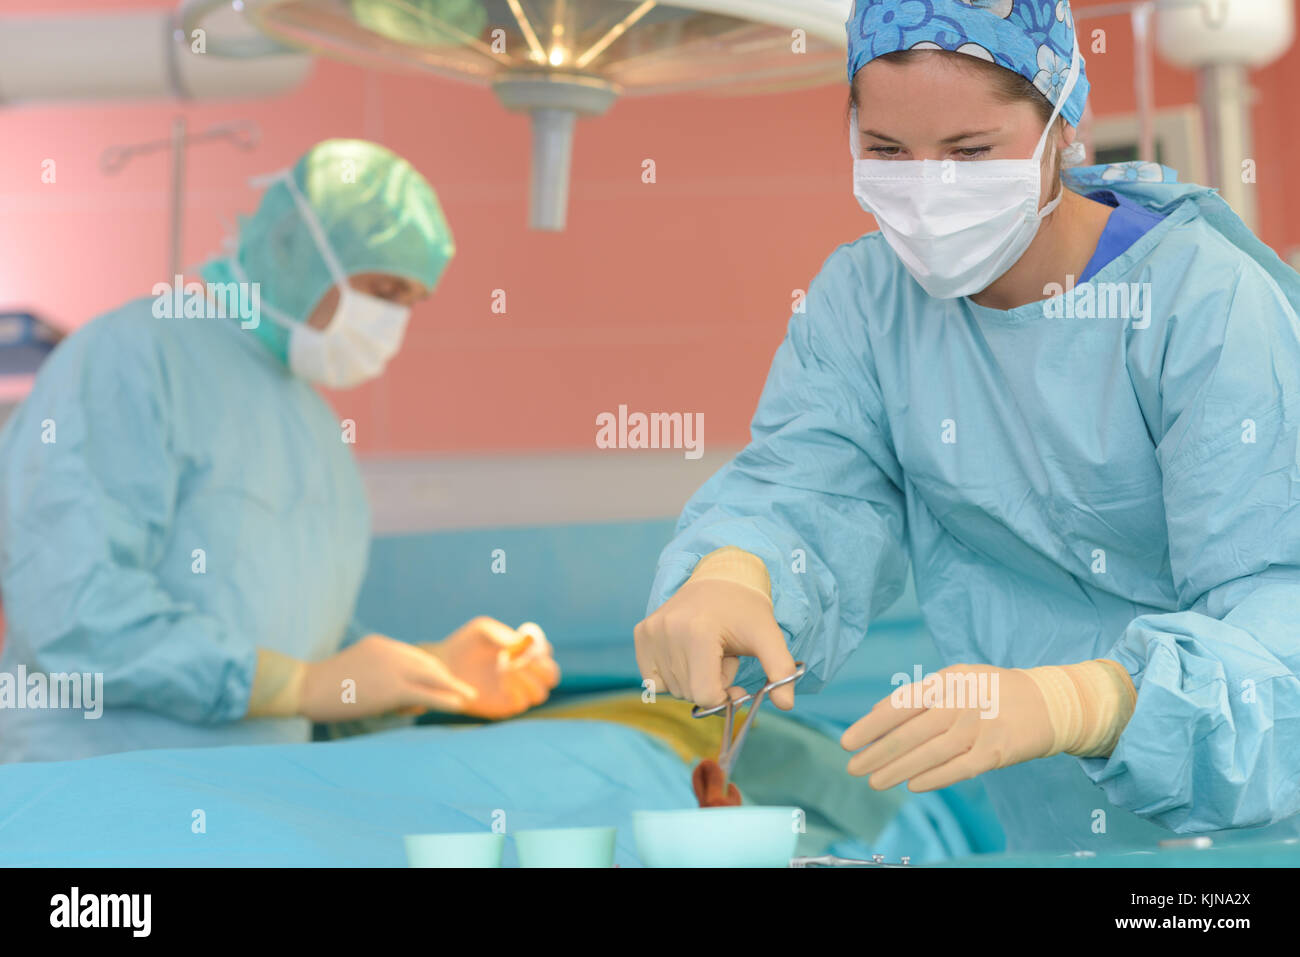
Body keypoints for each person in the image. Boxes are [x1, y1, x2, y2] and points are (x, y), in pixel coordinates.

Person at [635, 0, 1300, 853]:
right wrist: (737, 570)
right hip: (1054, 833)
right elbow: (807, 486)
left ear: (1062, 128)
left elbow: (1282, 613)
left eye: (969, 153)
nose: (925, 189)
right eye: (887, 152)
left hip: (1261, 836)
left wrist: (1085, 701)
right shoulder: (868, 302)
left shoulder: (1201, 304)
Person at [0, 139, 559, 763]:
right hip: (96, 797)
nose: (393, 319)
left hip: (254, 801)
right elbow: (72, 611)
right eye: (381, 288)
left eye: (410, 301)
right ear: (294, 251)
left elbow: (299, 658)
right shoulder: (133, 357)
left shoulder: (316, 432)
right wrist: (297, 686)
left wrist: (426, 674)